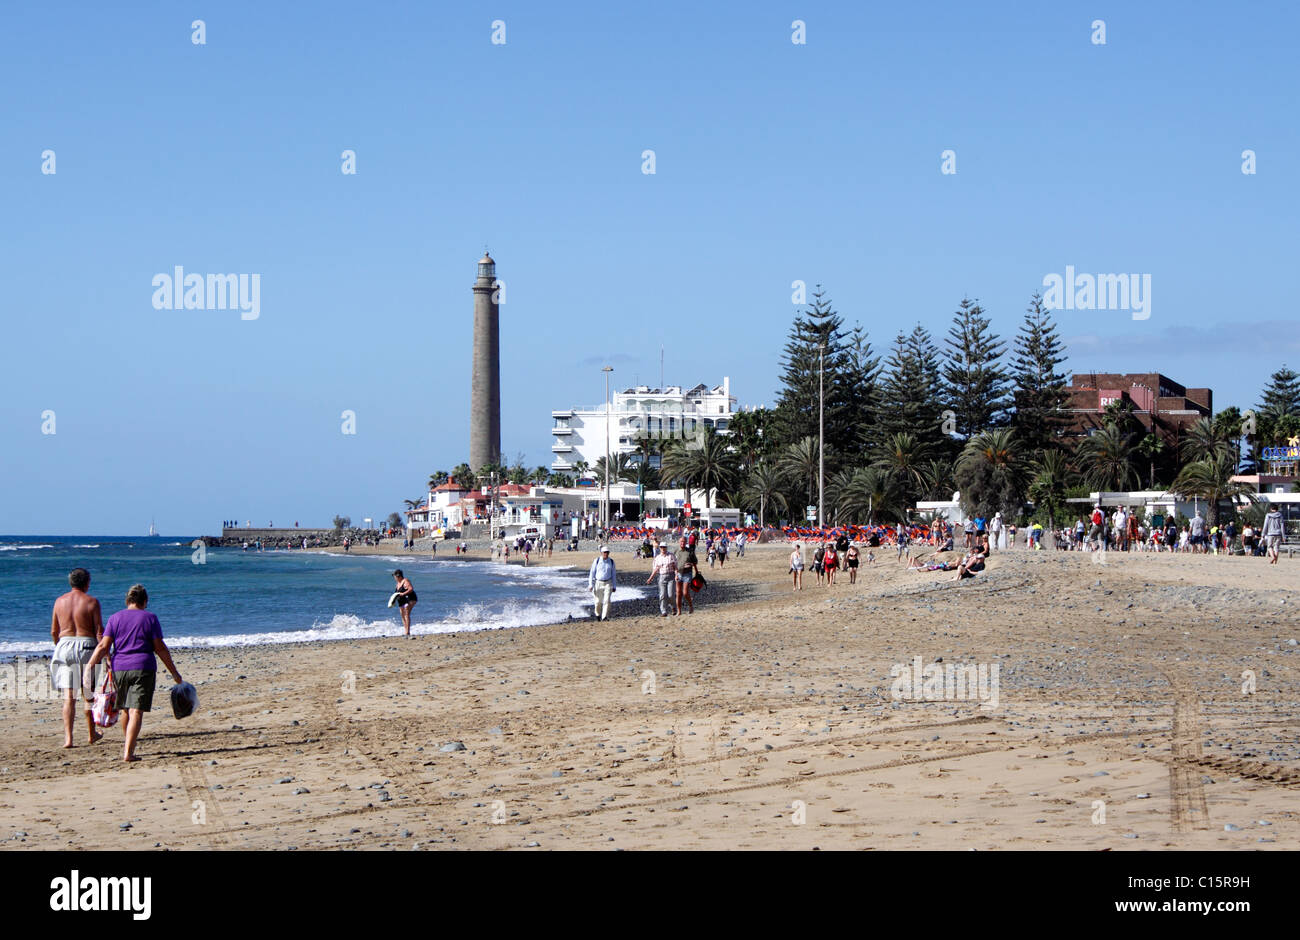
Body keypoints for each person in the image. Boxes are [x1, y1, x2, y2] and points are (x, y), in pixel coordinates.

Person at [83, 584, 183, 762]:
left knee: (125, 710)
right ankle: (128, 752)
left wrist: (90, 665)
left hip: (119, 668)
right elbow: (160, 648)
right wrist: (174, 673)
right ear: (144, 601)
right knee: (137, 711)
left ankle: (129, 744)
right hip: (143, 667)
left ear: (128, 601)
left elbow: (103, 646)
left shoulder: (115, 618)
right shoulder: (150, 618)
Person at [50, 568, 104, 748]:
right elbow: (99, 632)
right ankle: (91, 734)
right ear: (87, 583)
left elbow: (54, 631)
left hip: (64, 645)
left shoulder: (59, 602)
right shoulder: (92, 602)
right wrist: (106, 655)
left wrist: (60, 646)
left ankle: (69, 739)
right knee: (88, 694)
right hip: (86, 645)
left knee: (69, 697)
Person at [646, 543, 678, 616]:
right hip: (662, 577)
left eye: (664, 547)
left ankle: (673, 607)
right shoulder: (657, 558)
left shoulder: (671, 556)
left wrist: (676, 575)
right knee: (662, 594)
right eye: (661, 547)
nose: (663, 549)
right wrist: (650, 578)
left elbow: (675, 567)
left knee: (671, 594)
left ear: (666, 547)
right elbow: (655, 569)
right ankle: (663, 611)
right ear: (660, 548)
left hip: (671, 576)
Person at [588, 546, 617, 620]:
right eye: (604, 552)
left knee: (607, 600)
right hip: (598, 583)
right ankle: (597, 614)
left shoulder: (611, 561)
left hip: (608, 583)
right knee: (598, 601)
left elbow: (613, 574)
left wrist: (614, 586)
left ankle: (604, 617)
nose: (606, 554)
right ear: (601, 553)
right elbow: (592, 573)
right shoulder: (597, 561)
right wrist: (590, 584)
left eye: (607, 552)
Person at [391, 570, 417, 636]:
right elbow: (396, 594)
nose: (394, 578)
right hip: (401, 601)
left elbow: (411, 589)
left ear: (398, 576)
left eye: (394, 576)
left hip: (410, 599)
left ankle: (407, 632)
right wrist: (393, 601)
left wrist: (403, 593)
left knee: (406, 613)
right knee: (402, 615)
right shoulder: (397, 584)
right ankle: (406, 630)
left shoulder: (405, 581)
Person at [676, 539, 699, 614]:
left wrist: (696, 571)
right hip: (678, 573)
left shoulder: (690, 551)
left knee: (685, 592)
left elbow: (695, 562)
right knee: (678, 593)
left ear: (686, 543)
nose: (682, 543)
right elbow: (673, 563)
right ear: (679, 542)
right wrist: (675, 573)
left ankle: (691, 606)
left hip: (687, 573)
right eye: (681, 541)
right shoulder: (676, 551)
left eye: (684, 541)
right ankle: (679, 611)